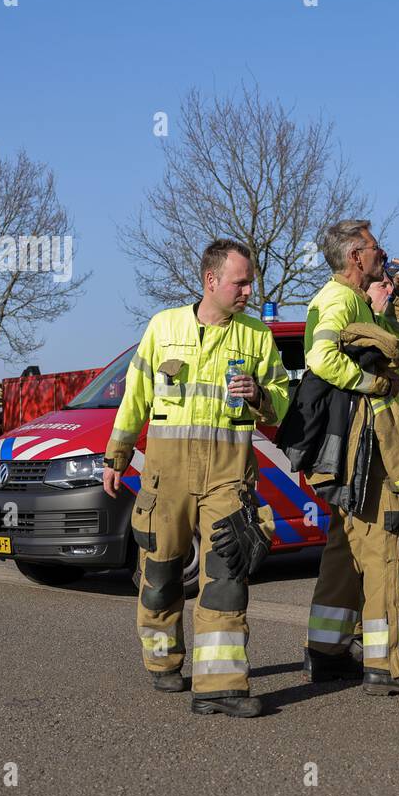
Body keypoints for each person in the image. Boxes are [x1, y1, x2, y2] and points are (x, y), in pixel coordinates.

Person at [103, 238, 290, 718]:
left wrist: (261, 396)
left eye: (250, 281)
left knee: (227, 572)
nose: (249, 290)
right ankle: (162, 659)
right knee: (161, 571)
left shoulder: (256, 336)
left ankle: (220, 685)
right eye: (241, 281)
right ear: (211, 281)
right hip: (166, 474)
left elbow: (285, 400)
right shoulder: (163, 327)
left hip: (229, 474)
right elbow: (136, 397)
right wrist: (117, 455)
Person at [301, 219, 399, 696]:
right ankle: (389, 667)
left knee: (345, 550)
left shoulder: (360, 302)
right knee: (386, 548)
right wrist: (373, 383)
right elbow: (323, 360)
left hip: (358, 446)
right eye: (375, 248)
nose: (383, 254)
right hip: (369, 447)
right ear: (354, 257)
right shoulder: (342, 301)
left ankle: (325, 654)